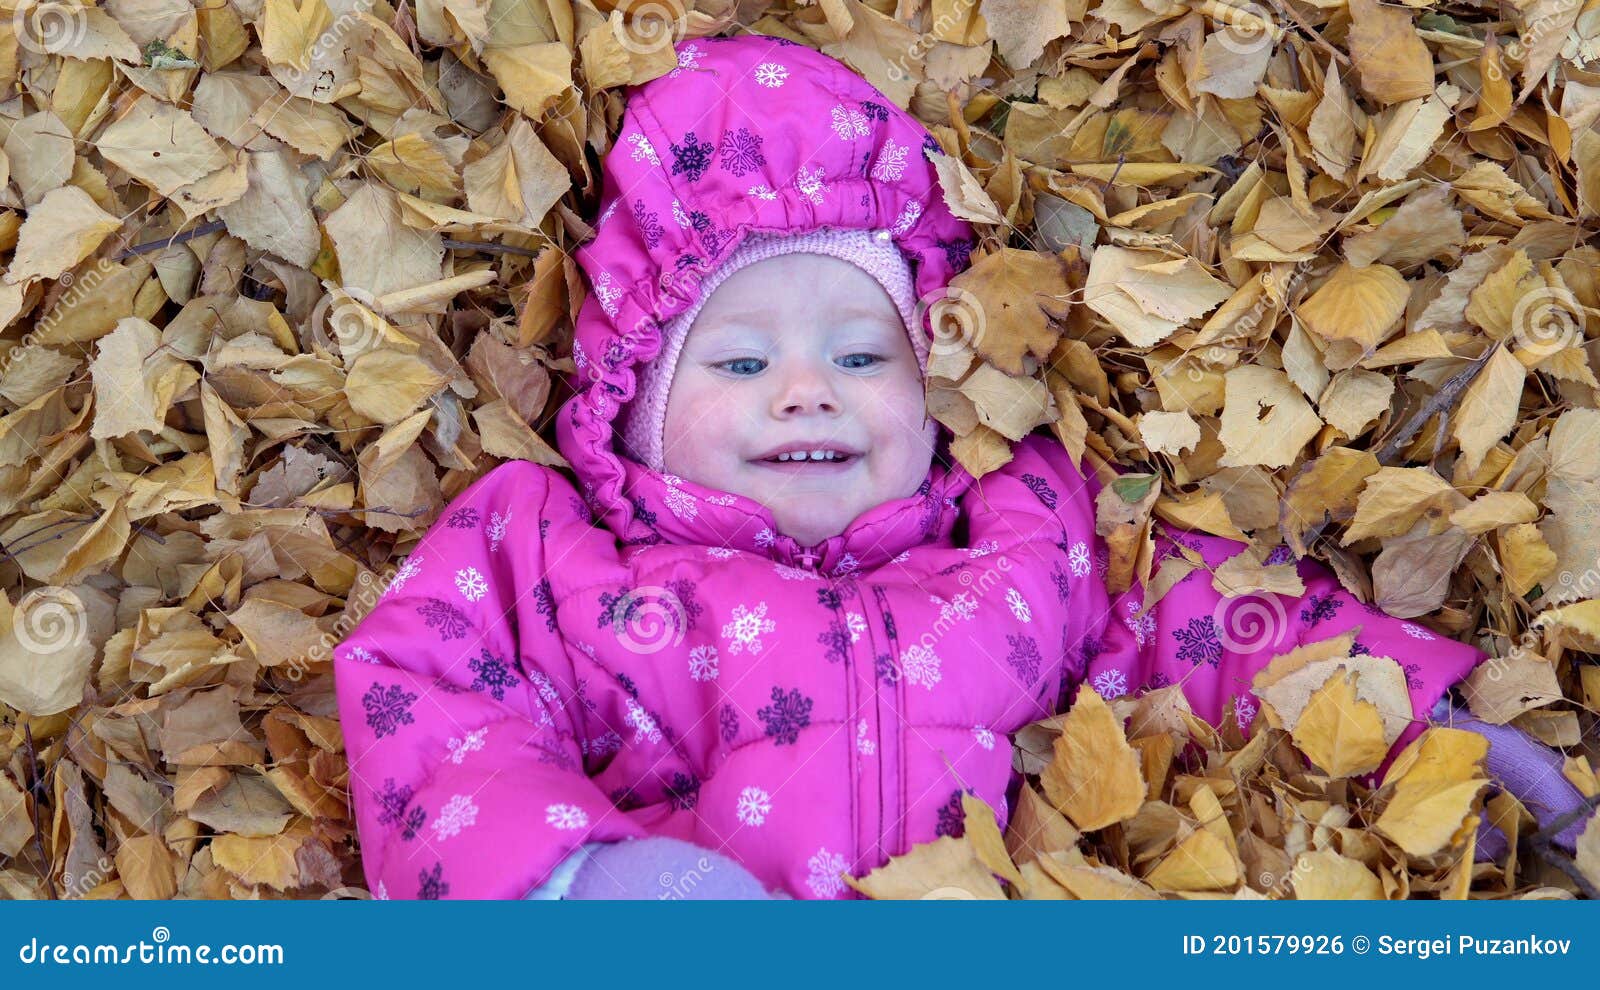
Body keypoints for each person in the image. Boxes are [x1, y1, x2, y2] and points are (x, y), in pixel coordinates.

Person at [333, 34, 1588, 900]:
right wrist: (581, 880)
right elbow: (426, 689)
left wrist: (1404, 726)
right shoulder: (568, 565)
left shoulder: (1022, 543)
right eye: (734, 366)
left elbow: (1202, 621)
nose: (806, 387)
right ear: (633, 411)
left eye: (861, 353)